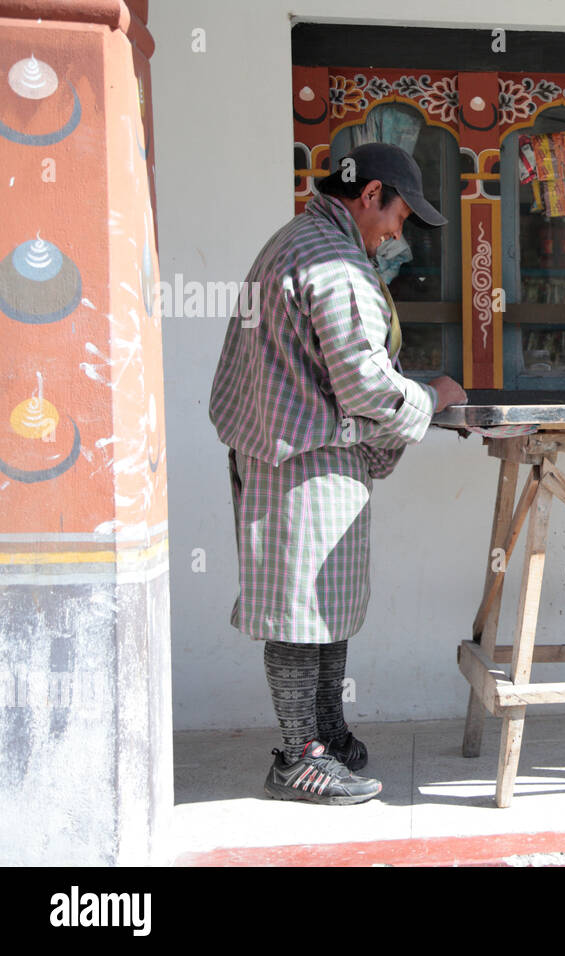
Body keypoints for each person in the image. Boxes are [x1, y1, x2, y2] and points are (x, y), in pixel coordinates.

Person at [209, 143, 467, 803]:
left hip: (295, 449)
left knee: (326, 606)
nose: (397, 234)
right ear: (371, 193)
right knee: (298, 611)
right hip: (296, 457)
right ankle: (298, 756)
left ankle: (326, 730)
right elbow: (364, 386)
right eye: (399, 216)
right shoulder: (332, 261)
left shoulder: (298, 240)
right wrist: (434, 398)